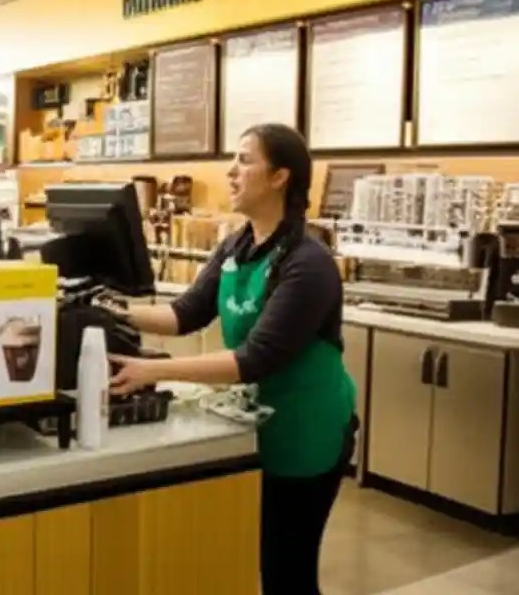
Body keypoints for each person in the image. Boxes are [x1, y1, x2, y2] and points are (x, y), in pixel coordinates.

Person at [108, 123, 356, 595]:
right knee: (262, 559)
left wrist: (153, 369)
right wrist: (112, 310)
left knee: (289, 572)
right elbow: (185, 314)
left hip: (310, 429)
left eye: (245, 160)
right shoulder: (235, 247)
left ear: (280, 176)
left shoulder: (308, 262)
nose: (231, 170)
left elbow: (254, 358)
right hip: (260, 425)